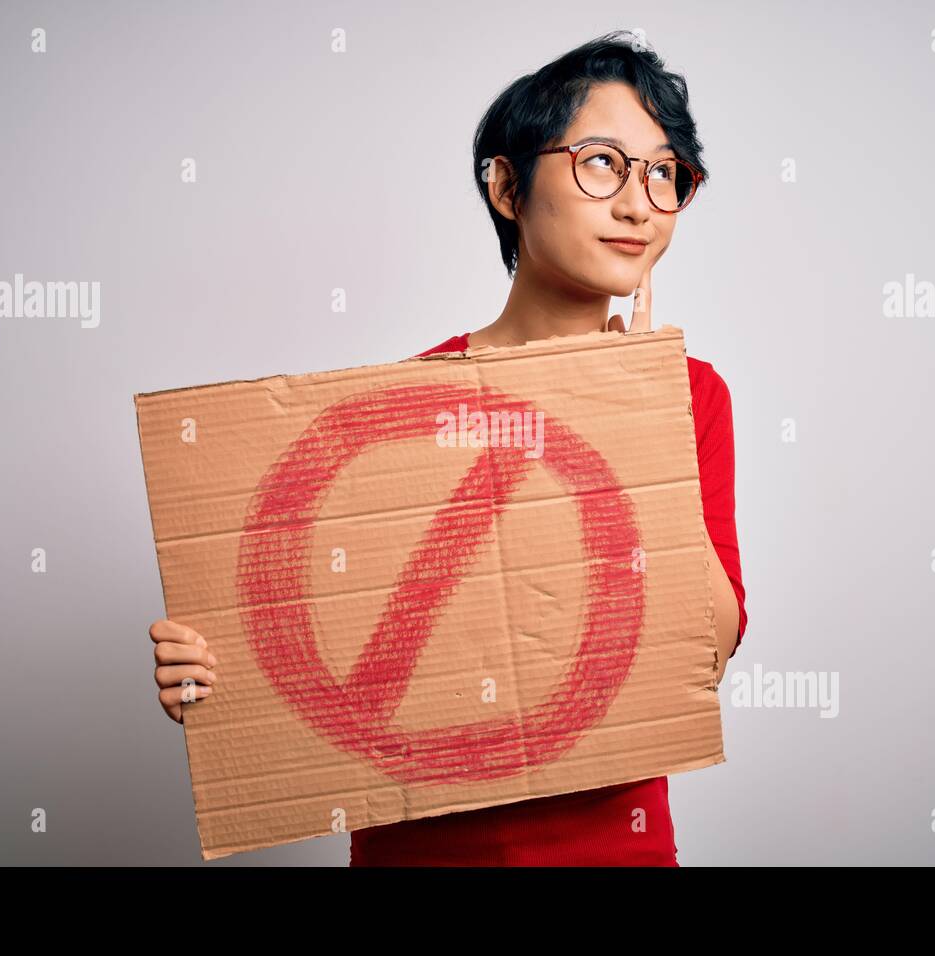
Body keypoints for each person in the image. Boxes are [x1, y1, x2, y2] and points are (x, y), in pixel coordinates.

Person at [148, 30, 748, 866]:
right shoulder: (389, 411)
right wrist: (213, 680)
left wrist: (631, 414)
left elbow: (705, 656)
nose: (639, 203)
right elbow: (305, 640)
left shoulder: (691, 396)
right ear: (505, 186)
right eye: (603, 162)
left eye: (664, 173)